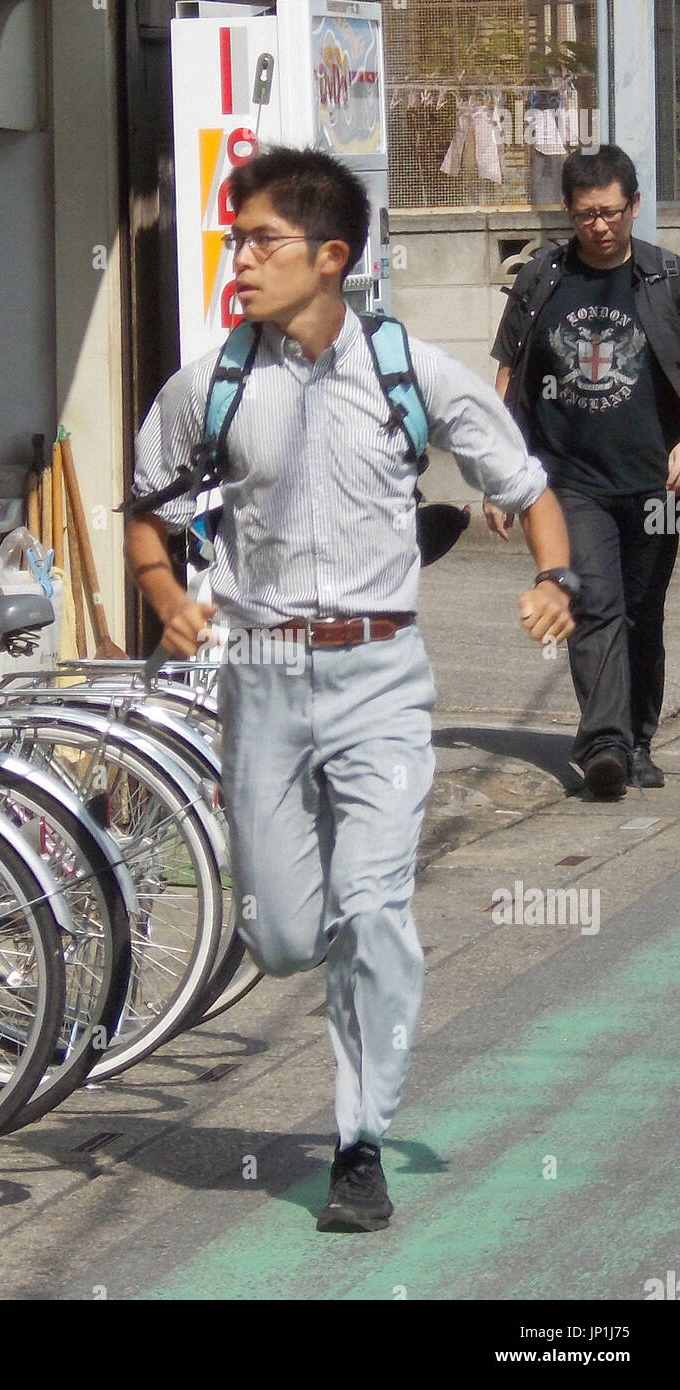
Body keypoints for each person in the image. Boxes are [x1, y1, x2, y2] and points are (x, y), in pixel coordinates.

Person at [126, 145, 574, 1233]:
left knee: (373, 911)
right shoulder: (213, 383)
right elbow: (147, 508)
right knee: (283, 935)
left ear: (332, 257)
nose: (239, 260)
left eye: (260, 241)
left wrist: (554, 574)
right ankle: (342, 954)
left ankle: (357, 1140)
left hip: (380, 675)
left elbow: (525, 484)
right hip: (265, 679)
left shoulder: (412, 370)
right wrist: (163, 594)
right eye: (235, 240)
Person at [486, 144, 680, 799]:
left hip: (656, 483)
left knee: (642, 616)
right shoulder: (541, 279)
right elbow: (509, 377)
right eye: (585, 215)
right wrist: (504, 475)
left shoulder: (666, 279)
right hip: (569, 483)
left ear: (632, 206)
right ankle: (605, 748)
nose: (600, 226)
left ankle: (639, 738)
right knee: (594, 603)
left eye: (611, 212)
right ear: (568, 213)